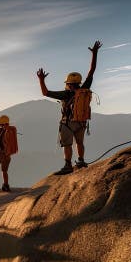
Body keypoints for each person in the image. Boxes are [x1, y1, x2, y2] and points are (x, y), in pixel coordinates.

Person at [37, 40, 102, 175]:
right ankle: (81, 160)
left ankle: (68, 165)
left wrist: (41, 79)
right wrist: (95, 53)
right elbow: (92, 71)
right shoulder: (84, 88)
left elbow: (45, 93)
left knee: (67, 144)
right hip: (82, 122)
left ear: (68, 83)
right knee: (79, 143)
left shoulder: (65, 94)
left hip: (68, 123)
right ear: (78, 82)